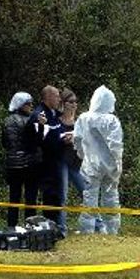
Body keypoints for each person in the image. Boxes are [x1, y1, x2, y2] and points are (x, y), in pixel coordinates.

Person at [73, 85, 124, 235]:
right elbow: (116, 145)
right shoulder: (112, 120)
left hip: (91, 164)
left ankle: (87, 230)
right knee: (111, 197)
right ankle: (112, 230)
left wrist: (83, 155)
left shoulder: (84, 118)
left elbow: (77, 139)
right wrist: (118, 163)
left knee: (89, 198)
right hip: (110, 165)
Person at [1, 91, 42, 228]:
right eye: (28, 103)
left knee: (14, 198)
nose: (31, 106)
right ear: (20, 104)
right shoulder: (31, 120)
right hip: (30, 164)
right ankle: (29, 227)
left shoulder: (7, 121)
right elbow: (35, 142)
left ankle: (11, 226)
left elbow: (5, 143)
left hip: (12, 164)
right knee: (30, 198)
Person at [30, 85, 67, 236]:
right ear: (48, 97)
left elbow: (59, 129)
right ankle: (49, 229)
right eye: (57, 96)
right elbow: (41, 139)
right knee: (50, 196)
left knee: (57, 196)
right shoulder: (40, 115)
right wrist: (61, 140)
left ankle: (56, 227)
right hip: (46, 163)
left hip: (57, 161)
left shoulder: (54, 114)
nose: (59, 99)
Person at [58, 88, 86, 221]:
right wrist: (62, 140)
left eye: (76, 102)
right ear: (63, 103)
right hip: (62, 161)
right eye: (71, 101)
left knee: (86, 193)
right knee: (62, 196)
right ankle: (61, 228)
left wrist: (76, 139)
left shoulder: (80, 121)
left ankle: (96, 224)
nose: (74, 104)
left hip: (77, 163)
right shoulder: (57, 120)